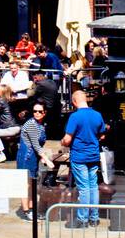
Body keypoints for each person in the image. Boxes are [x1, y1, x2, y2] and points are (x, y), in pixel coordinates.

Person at [61, 89, 108, 229]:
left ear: (74, 102)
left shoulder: (74, 117)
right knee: (93, 187)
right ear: (85, 100)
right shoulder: (97, 115)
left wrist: (62, 142)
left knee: (84, 188)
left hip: (79, 156)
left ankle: (82, 219)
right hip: (93, 156)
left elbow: (67, 140)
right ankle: (94, 218)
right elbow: (103, 135)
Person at [16, 102, 51, 221]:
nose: (37, 113)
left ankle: (32, 210)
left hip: (33, 157)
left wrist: (41, 157)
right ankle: (26, 211)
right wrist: (46, 159)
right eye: (35, 111)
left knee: (32, 185)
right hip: (26, 157)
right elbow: (36, 145)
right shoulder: (31, 124)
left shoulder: (41, 124)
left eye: (40, 111)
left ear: (44, 112)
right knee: (25, 185)